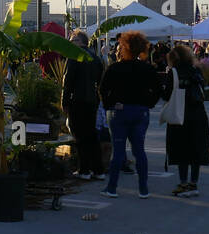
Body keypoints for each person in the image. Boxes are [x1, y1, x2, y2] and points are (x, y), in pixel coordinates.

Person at [98, 30, 161, 198]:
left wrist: (109, 105)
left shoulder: (115, 68)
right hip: (141, 112)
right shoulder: (147, 69)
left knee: (118, 151)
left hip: (119, 112)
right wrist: (148, 104)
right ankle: (143, 188)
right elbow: (158, 90)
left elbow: (103, 89)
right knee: (139, 150)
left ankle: (112, 188)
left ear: (124, 47)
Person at [162, 44, 209, 197]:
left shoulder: (173, 72)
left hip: (180, 114)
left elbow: (166, 95)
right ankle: (193, 183)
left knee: (181, 150)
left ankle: (183, 183)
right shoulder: (196, 70)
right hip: (198, 114)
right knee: (196, 150)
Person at [61, 30, 105, 180]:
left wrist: (64, 102)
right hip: (91, 100)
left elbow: (67, 82)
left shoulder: (74, 56)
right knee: (91, 134)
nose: (71, 42)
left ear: (80, 42)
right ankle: (98, 169)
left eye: (73, 40)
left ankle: (84, 169)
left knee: (79, 135)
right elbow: (100, 80)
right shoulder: (96, 58)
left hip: (77, 100)